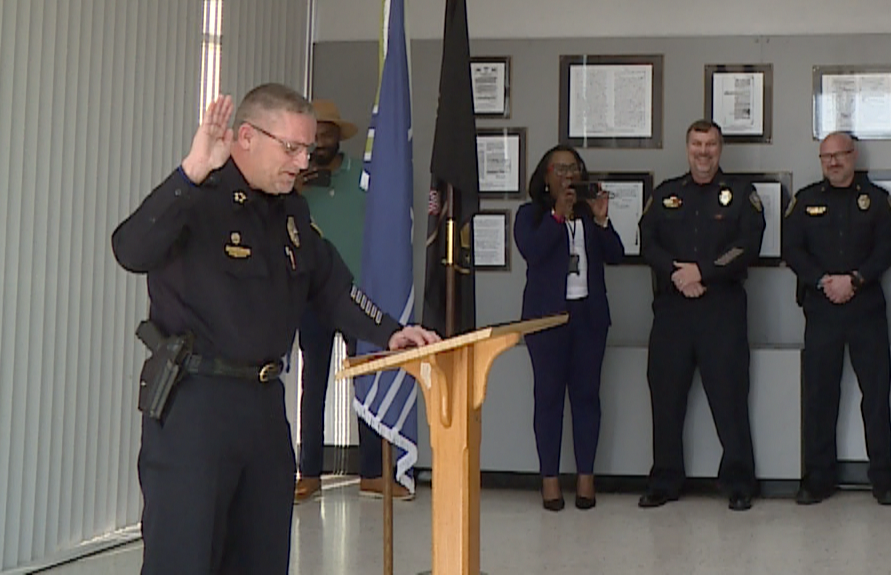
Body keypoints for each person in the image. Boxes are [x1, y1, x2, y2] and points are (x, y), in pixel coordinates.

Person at [112, 86, 438, 575]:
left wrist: (390, 332)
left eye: (306, 149)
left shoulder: (291, 213)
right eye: (291, 148)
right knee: (184, 556)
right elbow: (130, 249)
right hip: (196, 407)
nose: (303, 160)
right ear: (246, 137)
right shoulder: (197, 199)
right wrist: (189, 174)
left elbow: (332, 287)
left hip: (263, 407)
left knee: (263, 556)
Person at [639, 120, 765, 511]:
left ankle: (740, 482)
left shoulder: (742, 194)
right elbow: (648, 240)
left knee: (729, 397)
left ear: (720, 148)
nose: (704, 151)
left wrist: (703, 272)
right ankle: (665, 479)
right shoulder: (667, 194)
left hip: (721, 308)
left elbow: (749, 244)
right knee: (666, 397)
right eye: (697, 143)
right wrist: (678, 274)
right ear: (688, 147)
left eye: (710, 144)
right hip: (673, 310)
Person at [783, 132, 891, 506]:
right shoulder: (805, 201)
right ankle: (818, 478)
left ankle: (883, 478)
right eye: (826, 157)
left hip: (865, 308)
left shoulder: (878, 201)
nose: (833, 162)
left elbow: (886, 249)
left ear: (854, 156)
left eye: (840, 155)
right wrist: (824, 281)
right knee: (820, 396)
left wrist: (853, 280)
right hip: (821, 310)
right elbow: (792, 250)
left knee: (876, 397)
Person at [516, 145, 625, 512]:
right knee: (547, 399)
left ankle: (585, 479)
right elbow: (532, 251)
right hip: (546, 320)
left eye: (574, 169)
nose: (568, 176)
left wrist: (601, 220)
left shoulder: (588, 215)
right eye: (560, 169)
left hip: (589, 319)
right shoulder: (530, 215)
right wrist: (557, 218)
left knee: (586, 398)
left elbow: (617, 254)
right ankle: (549, 481)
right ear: (545, 176)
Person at [290, 98, 387, 502]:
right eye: (317, 135)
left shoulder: (361, 177)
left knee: (366, 382)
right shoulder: (292, 183)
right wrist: (295, 190)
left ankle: (373, 473)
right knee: (313, 386)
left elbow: (382, 223)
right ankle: (309, 473)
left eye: (329, 133)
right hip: (310, 298)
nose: (322, 141)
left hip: (354, 294)